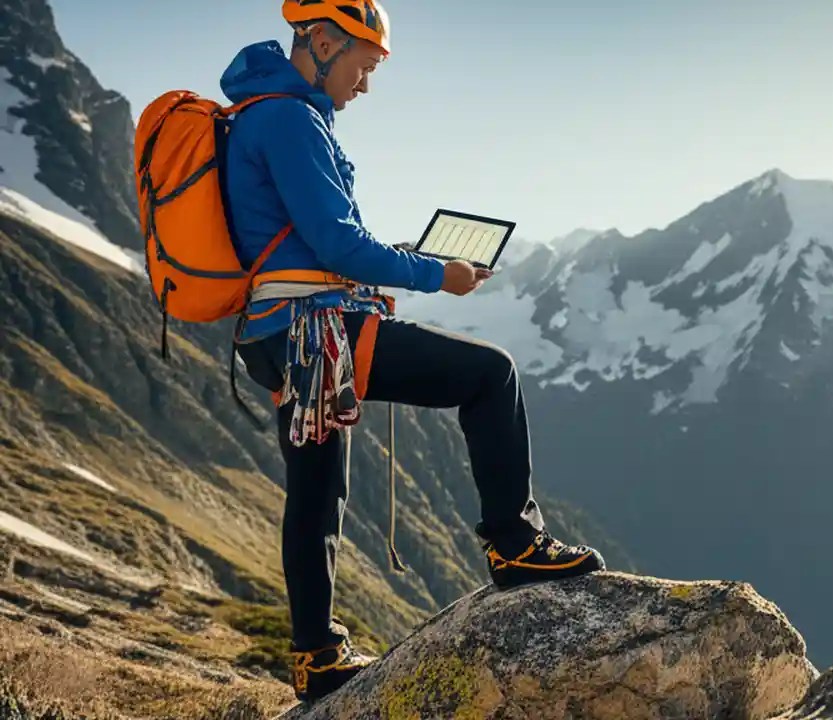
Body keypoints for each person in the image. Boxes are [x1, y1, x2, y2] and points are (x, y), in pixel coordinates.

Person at [220, 0, 605, 703]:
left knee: (316, 491)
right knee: (491, 374)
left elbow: (313, 242)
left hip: (279, 335)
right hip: (320, 332)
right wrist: (437, 275)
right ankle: (516, 543)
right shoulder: (289, 119)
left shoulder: (262, 114)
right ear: (325, 41)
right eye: (365, 67)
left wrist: (396, 257)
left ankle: (315, 658)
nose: (365, 86)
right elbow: (336, 245)